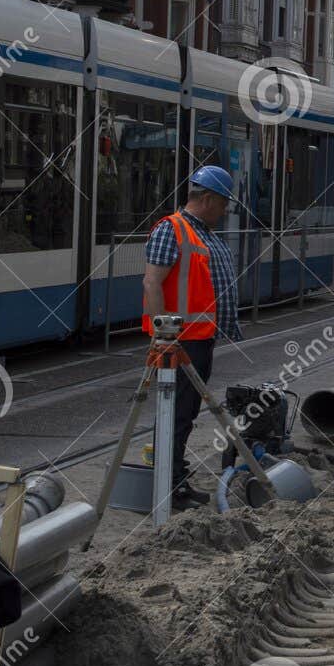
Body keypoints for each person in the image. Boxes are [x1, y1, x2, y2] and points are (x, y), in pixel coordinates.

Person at [142, 166, 243, 509]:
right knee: (176, 414)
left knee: (184, 413)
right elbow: (152, 282)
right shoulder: (173, 229)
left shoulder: (203, 232)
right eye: (223, 204)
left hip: (199, 338)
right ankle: (168, 489)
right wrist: (163, 336)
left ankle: (174, 482)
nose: (225, 210)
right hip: (179, 342)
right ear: (208, 199)